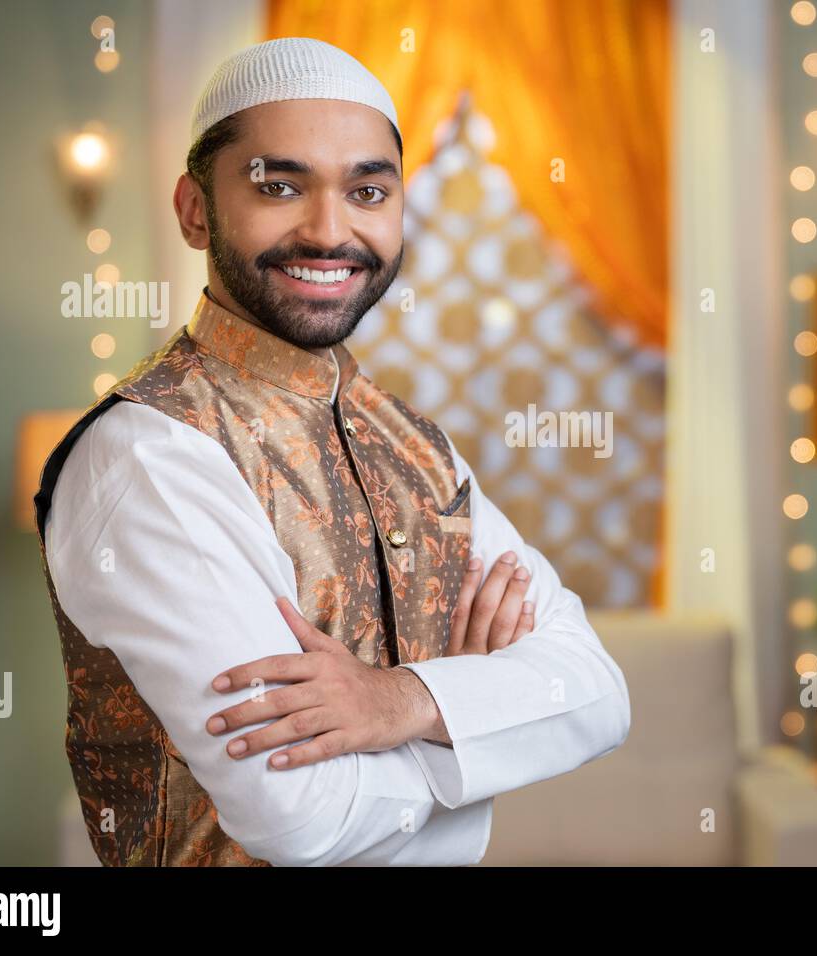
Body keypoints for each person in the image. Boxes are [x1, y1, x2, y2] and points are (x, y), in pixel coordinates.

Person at [34, 37, 630, 867]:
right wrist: (477, 722)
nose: (328, 230)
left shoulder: (416, 442)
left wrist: (403, 700)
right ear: (195, 209)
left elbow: (596, 695)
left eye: (367, 190)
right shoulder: (149, 454)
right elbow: (299, 819)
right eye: (279, 185)